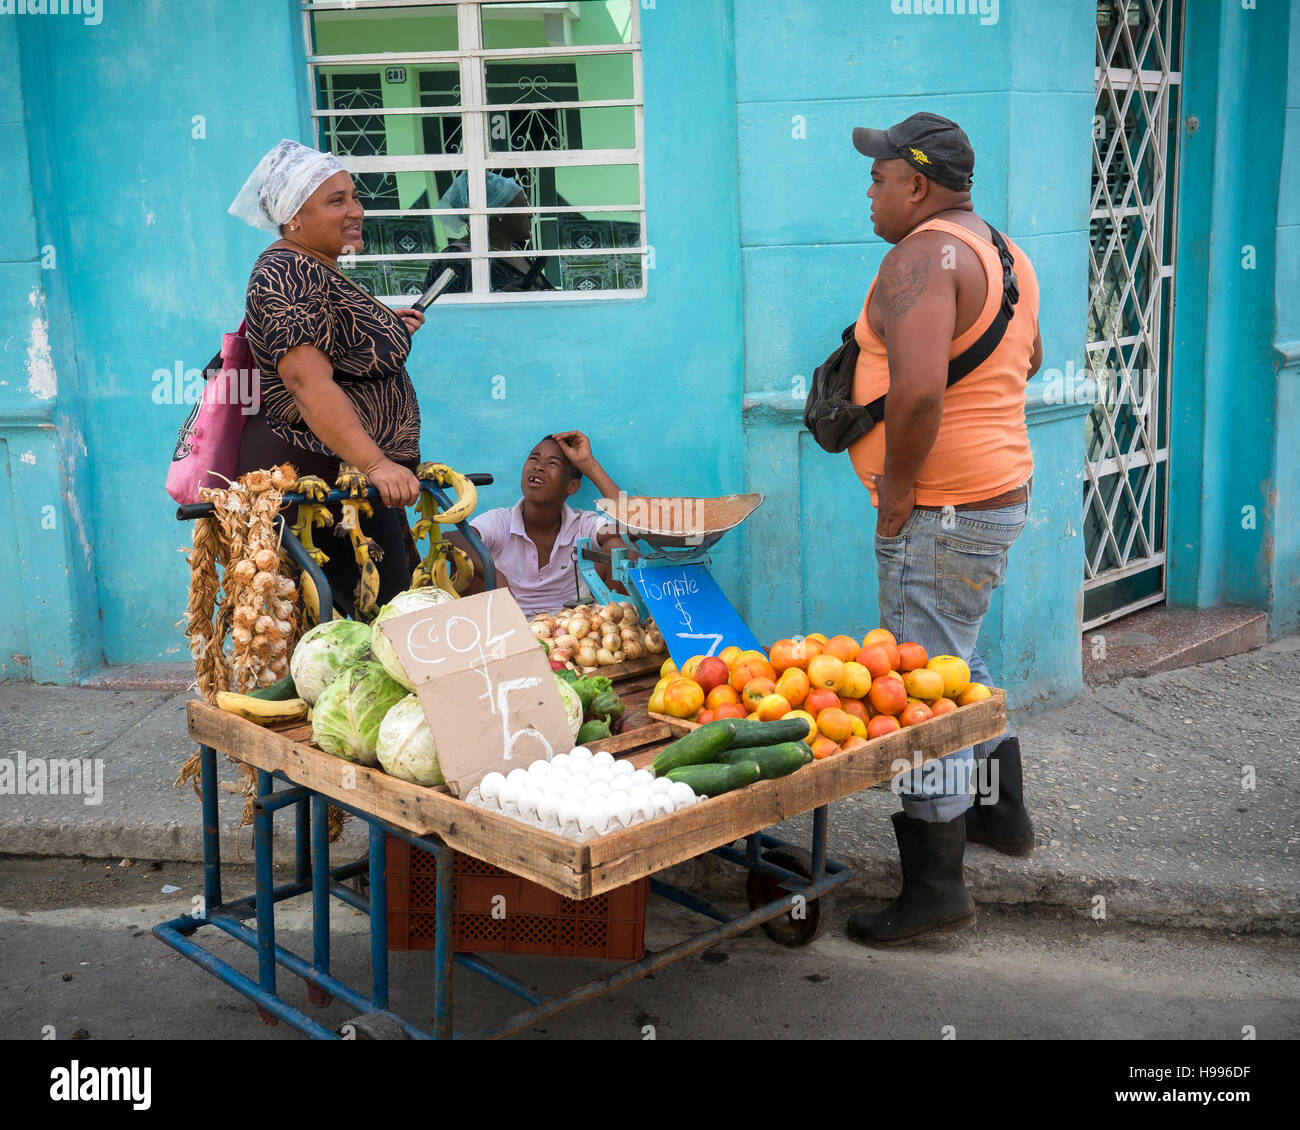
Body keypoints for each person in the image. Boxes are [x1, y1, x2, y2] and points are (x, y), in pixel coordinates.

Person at [842, 113, 1041, 946]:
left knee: (923, 685)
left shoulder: (919, 255)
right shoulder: (1004, 250)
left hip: (940, 510)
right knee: (965, 658)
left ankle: (935, 887)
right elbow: (1027, 359)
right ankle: (1002, 818)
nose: (870, 190)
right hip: (995, 492)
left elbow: (922, 394)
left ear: (916, 183)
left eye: (880, 176)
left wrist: (897, 490)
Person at [228, 139, 429, 614]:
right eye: (336, 201)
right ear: (293, 217)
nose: (355, 210)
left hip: (357, 483)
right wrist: (377, 465)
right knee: (381, 626)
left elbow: (336, 355)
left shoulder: (315, 267)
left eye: (354, 197)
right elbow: (306, 383)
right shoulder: (287, 272)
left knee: (384, 622)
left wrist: (385, 330)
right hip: (325, 484)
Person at [448, 432, 629, 617]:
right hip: (506, 623)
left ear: (572, 486)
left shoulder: (582, 525)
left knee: (621, 548)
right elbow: (452, 538)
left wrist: (588, 464)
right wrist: (493, 573)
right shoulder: (501, 521)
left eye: (553, 463)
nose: (539, 467)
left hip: (572, 626)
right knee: (463, 559)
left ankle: (619, 634)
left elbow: (631, 531)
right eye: (534, 458)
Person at [427, 171, 555, 294]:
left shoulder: (514, 250)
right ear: (499, 212)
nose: (531, 215)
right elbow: (441, 310)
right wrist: (501, 298)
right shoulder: (456, 259)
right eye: (523, 205)